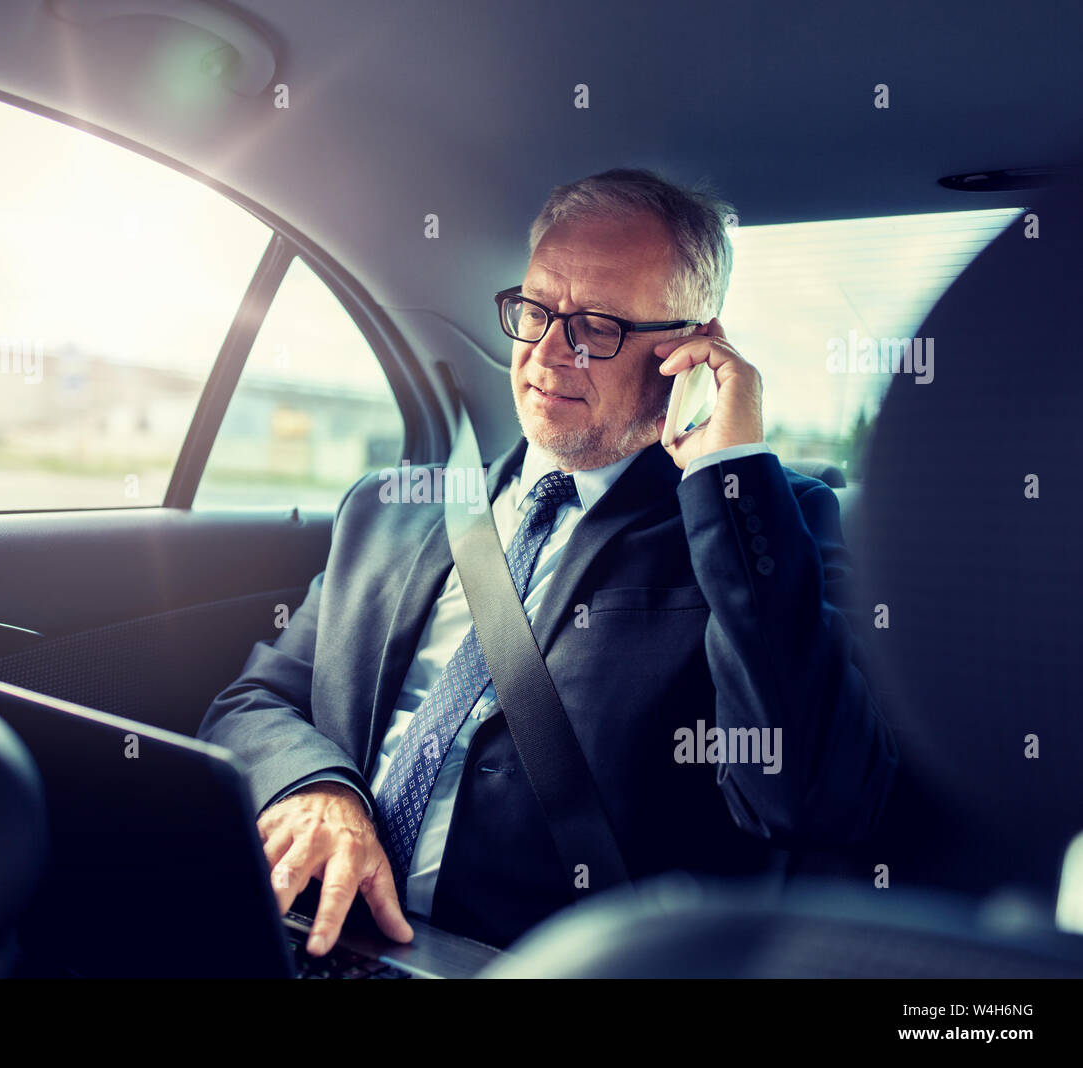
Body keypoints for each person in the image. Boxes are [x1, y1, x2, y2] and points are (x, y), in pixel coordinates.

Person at [198, 168, 896, 953]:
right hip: (320, 945)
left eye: (596, 325)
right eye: (535, 312)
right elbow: (253, 702)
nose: (548, 354)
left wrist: (728, 480)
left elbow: (809, 801)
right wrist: (315, 789)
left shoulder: (765, 523)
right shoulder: (390, 508)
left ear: (691, 347)